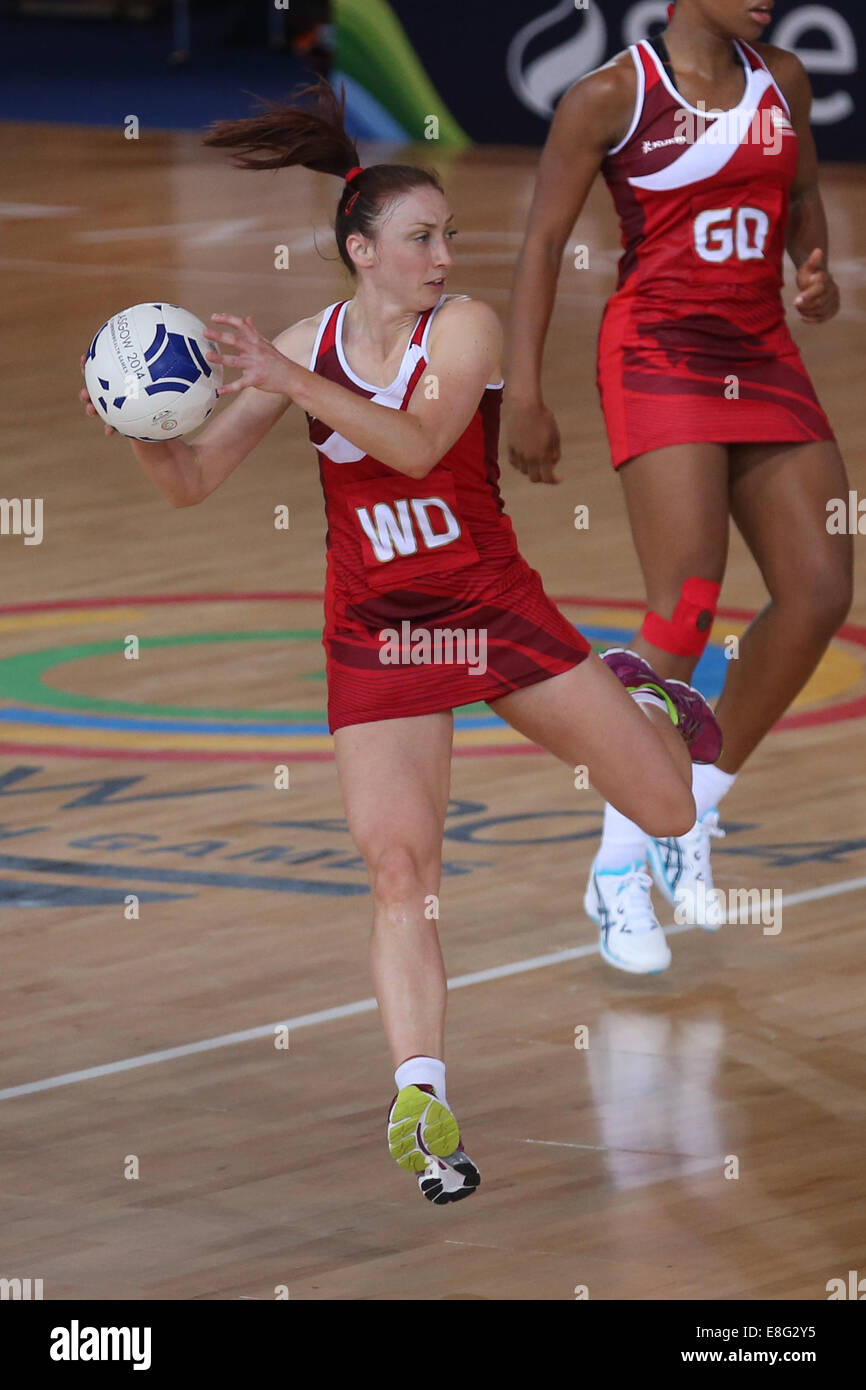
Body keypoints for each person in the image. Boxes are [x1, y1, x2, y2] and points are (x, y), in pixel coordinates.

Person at [79, 79, 717, 1202]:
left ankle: (639, 695)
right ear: (361, 251)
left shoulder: (456, 328)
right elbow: (189, 482)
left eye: (445, 238)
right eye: (420, 239)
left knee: (667, 809)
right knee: (398, 870)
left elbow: (422, 444)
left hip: (491, 612)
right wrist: (136, 424)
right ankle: (422, 1098)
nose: (439, 255)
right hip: (377, 637)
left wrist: (290, 379)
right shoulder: (307, 340)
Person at [505, 0, 852, 970]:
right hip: (659, 353)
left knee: (820, 587)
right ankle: (617, 868)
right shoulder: (610, 95)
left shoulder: (781, 77)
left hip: (761, 349)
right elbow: (538, 245)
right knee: (687, 599)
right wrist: (523, 388)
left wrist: (810, 270)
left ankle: (687, 808)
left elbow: (806, 198)